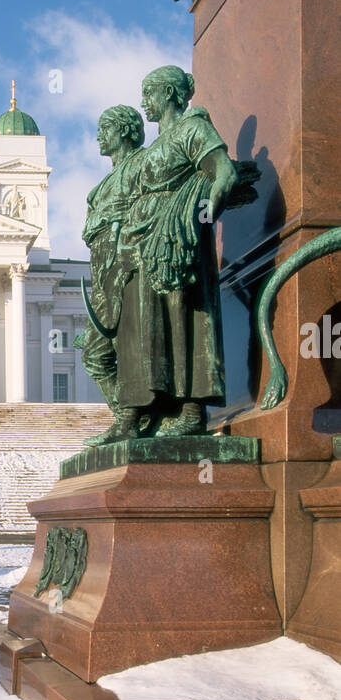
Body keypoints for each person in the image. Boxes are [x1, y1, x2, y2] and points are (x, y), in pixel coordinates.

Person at [113, 65, 238, 438]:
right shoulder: (156, 145)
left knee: (183, 321)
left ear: (168, 93)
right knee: (149, 330)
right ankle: (153, 408)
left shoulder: (193, 129)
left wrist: (194, 219)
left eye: (148, 93)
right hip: (146, 242)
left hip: (176, 242)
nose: (143, 103)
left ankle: (191, 410)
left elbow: (224, 174)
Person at [74, 105, 147, 445]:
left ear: (126, 131)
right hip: (101, 268)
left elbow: (151, 207)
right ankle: (127, 419)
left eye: (106, 128)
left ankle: (132, 419)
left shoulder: (143, 164)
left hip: (127, 265)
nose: (99, 136)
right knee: (93, 353)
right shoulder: (101, 185)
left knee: (126, 346)